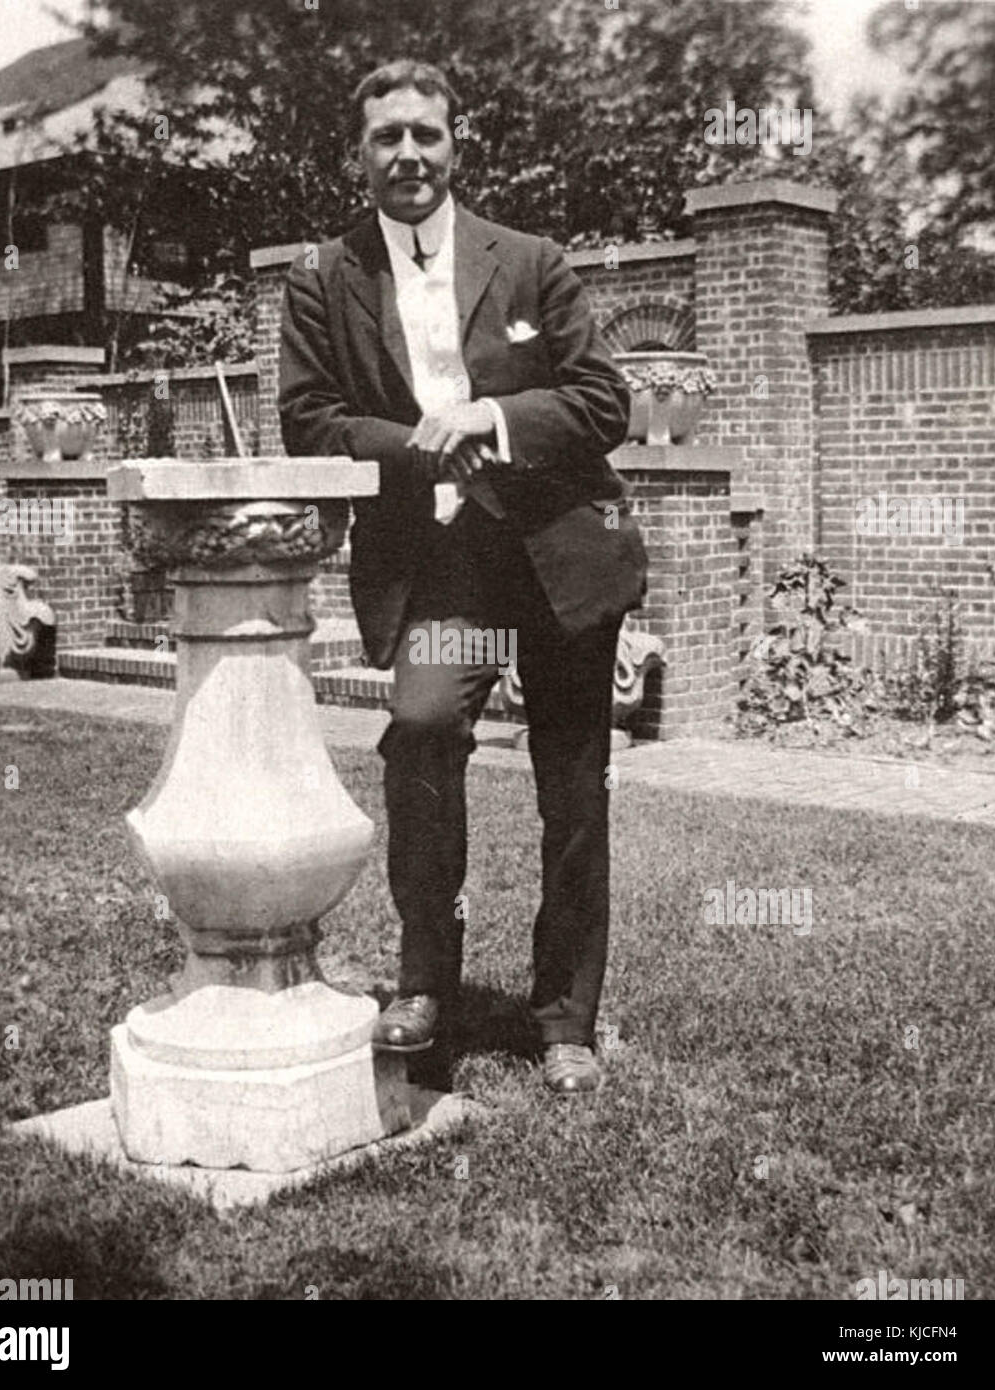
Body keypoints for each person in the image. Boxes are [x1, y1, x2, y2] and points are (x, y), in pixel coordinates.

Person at [279, 60, 646, 1095]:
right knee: (426, 730)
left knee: (572, 782)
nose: (408, 155)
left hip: (561, 552)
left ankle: (566, 1016)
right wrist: (419, 446)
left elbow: (601, 399)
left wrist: (490, 419)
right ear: (357, 156)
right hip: (444, 562)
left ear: (455, 146)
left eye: (425, 136)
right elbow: (310, 422)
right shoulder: (324, 278)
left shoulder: (531, 261)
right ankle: (423, 981)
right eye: (386, 137)